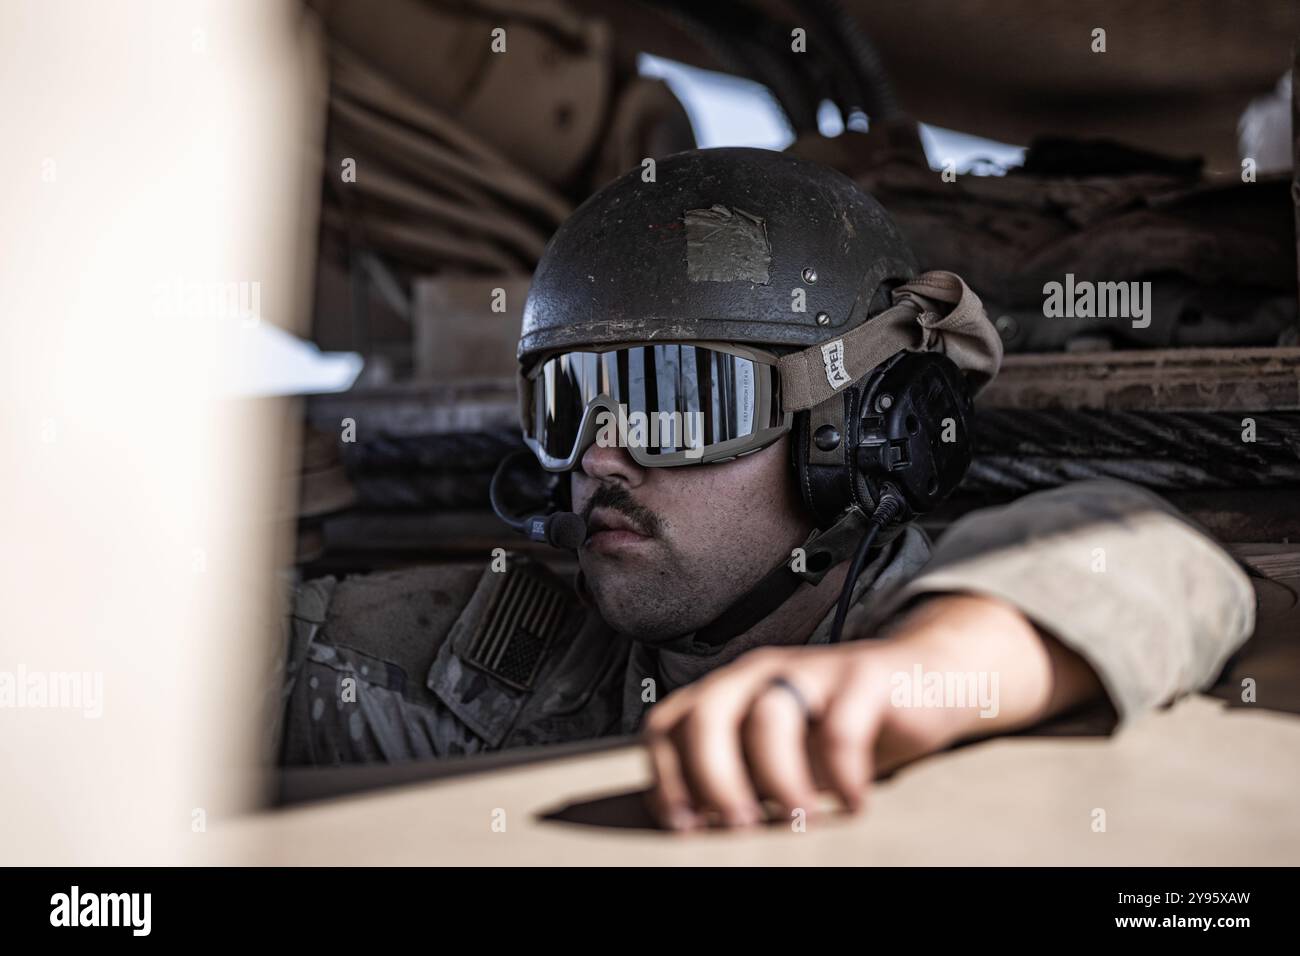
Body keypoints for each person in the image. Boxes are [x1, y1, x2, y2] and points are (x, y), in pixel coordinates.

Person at [279, 148, 1255, 831]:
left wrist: (910, 675)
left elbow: (1153, 556)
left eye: (679, 399)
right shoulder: (491, 658)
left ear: (865, 435)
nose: (599, 459)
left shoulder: (943, 632)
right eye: (567, 404)